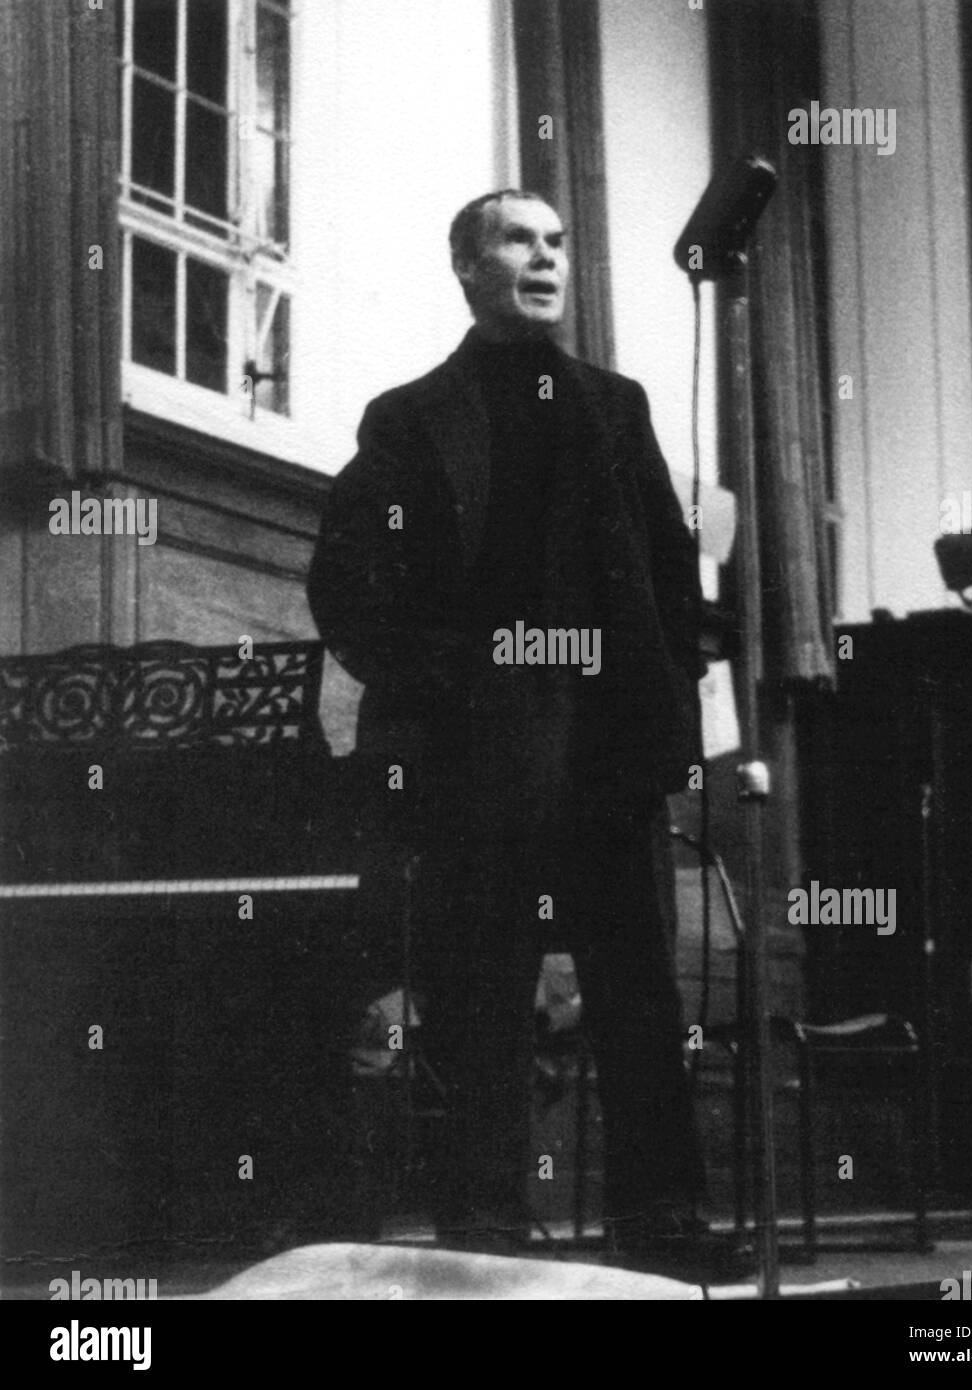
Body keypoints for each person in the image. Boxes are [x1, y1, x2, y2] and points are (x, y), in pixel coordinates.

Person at [307, 189, 708, 1253]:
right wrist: (450, 685)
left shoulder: (615, 406)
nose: (545, 257)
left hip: (607, 746)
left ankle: (660, 1220)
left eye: (557, 242)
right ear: (467, 268)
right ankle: (484, 1222)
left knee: (638, 990)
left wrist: (672, 686)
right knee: (479, 988)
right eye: (518, 240)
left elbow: (670, 569)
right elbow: (347, 582)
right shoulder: (407, 418)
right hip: (477, 751)